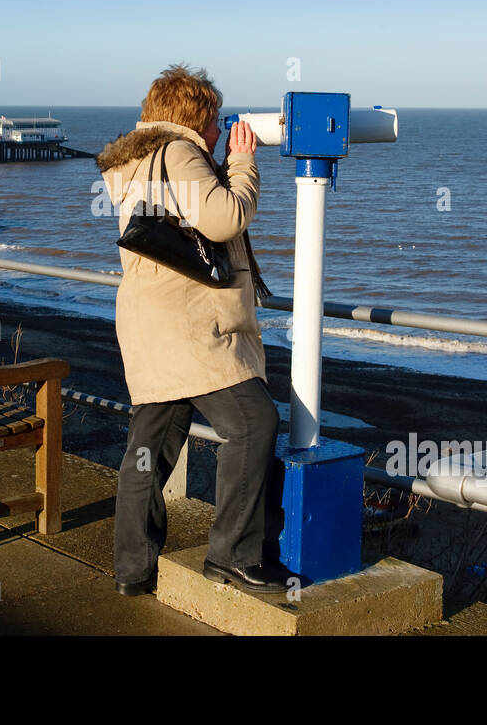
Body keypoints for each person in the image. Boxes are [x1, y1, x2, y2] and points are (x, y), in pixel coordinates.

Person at [96, 63, 297, 596]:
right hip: (190, 327)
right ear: (196, 117)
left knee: (150, 449)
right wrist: (243, 160)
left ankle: (133, 571)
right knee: (254, 424)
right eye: (215, 118)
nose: (220, 127)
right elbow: (225, 218)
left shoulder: (140, 158)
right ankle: (233, 556)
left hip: (150, 323)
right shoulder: (181, 154)